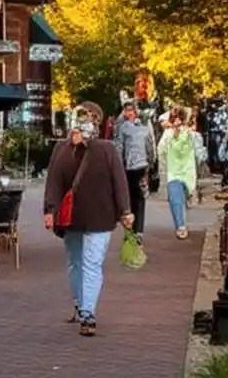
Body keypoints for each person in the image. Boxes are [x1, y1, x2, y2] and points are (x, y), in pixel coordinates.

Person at [43, 123, 133, 337]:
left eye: (77, 129)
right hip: (81, 217)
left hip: (92, 217)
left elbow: (119, 182)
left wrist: (125, 209)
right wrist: (49, 209)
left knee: (88, 263)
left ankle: (87, 311)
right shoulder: (64, 149)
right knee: (78, 262)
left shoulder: (104, 149)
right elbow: (54, 180)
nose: (73, 133)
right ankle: (81, 304)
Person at [156, 107, 207, 240]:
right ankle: (180, 226)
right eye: (175, 119)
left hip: (188, 173)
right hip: (173, 172)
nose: (177, 122)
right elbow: (161, 151)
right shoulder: (167, 135)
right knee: (175, 199)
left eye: (180, 119)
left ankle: (182, 217)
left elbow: (200, 154)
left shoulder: (192, 135)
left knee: (182, 198)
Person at [114, 101, 156, 243]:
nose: (129, 113)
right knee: (134, 199)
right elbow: (119, 147)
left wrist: (150, 164)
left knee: (137, 198)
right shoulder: (125, 127)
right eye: (127, 111)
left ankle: (136, 231)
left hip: (138, 167)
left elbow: (149, 146)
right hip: (132, 167)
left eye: (131, 111)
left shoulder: (137, 127)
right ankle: (133, 230)